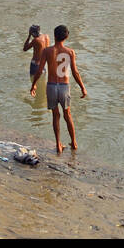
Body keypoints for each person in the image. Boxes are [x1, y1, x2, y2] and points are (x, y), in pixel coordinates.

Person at [32, 25, 87, 153]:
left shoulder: (47, 51)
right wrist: (82, 88)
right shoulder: (70, 52)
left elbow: (40, 70)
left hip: (51, 86)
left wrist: (33, 84)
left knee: (55, 116)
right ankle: (74, 143)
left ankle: (58, 145)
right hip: (64, 87)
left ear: (54, 35)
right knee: (67, 115)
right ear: (66, 37)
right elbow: (75, 72)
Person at [23, 24, 48, 94]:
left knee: (34, 83)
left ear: (33, 33)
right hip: (43, 64)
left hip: (35, 65)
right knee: (42, 82)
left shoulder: (36, 40)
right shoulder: (46, 36)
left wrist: (28, 36)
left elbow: (25, 49)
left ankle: (34, 92)